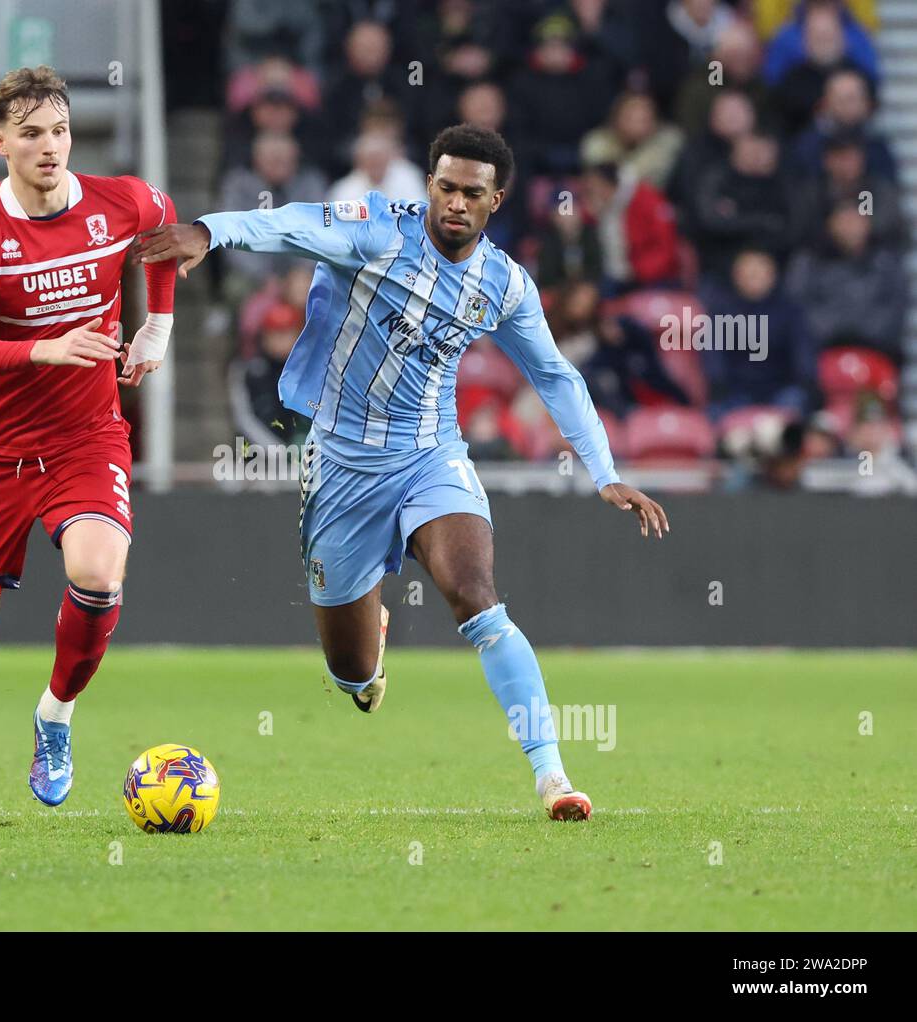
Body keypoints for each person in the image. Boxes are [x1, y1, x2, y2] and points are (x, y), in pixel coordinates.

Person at [136, 125, 669, 821]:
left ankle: (554, 779)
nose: (454, 202)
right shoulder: (377, 233)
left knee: (476, 596)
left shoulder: (502, 284)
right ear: (429, 185)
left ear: (495, 200)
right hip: (342, 468)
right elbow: (290, 223)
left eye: (471, 193)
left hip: (430, 458)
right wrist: (212, 232)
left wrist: (604, 472)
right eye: (444, 186)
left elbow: (555, 374)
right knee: (350, 673)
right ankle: (368, 652)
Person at [0, 66, 178, 827]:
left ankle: (54, 718)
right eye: (30, 134)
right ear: (1, 144)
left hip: (85, 439)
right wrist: (43, 350)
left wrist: (159, 321)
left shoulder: (117, 200)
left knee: (98, 575)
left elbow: (166, 228)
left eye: (58, 130)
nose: (49, 146)